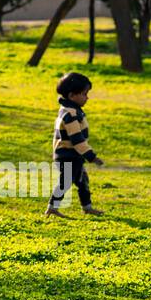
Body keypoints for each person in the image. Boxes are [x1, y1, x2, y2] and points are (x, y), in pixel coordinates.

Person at [45, 71, 104, 218]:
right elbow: (77, 140)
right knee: (66, 182)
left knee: (82, 180)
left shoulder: (70, 110)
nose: (87, 97)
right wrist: (92, 157)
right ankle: (52, 207)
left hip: (72, 155)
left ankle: (87, 207)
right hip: (68, 155)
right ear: (72, 96)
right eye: (84, 94)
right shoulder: (70, 114)